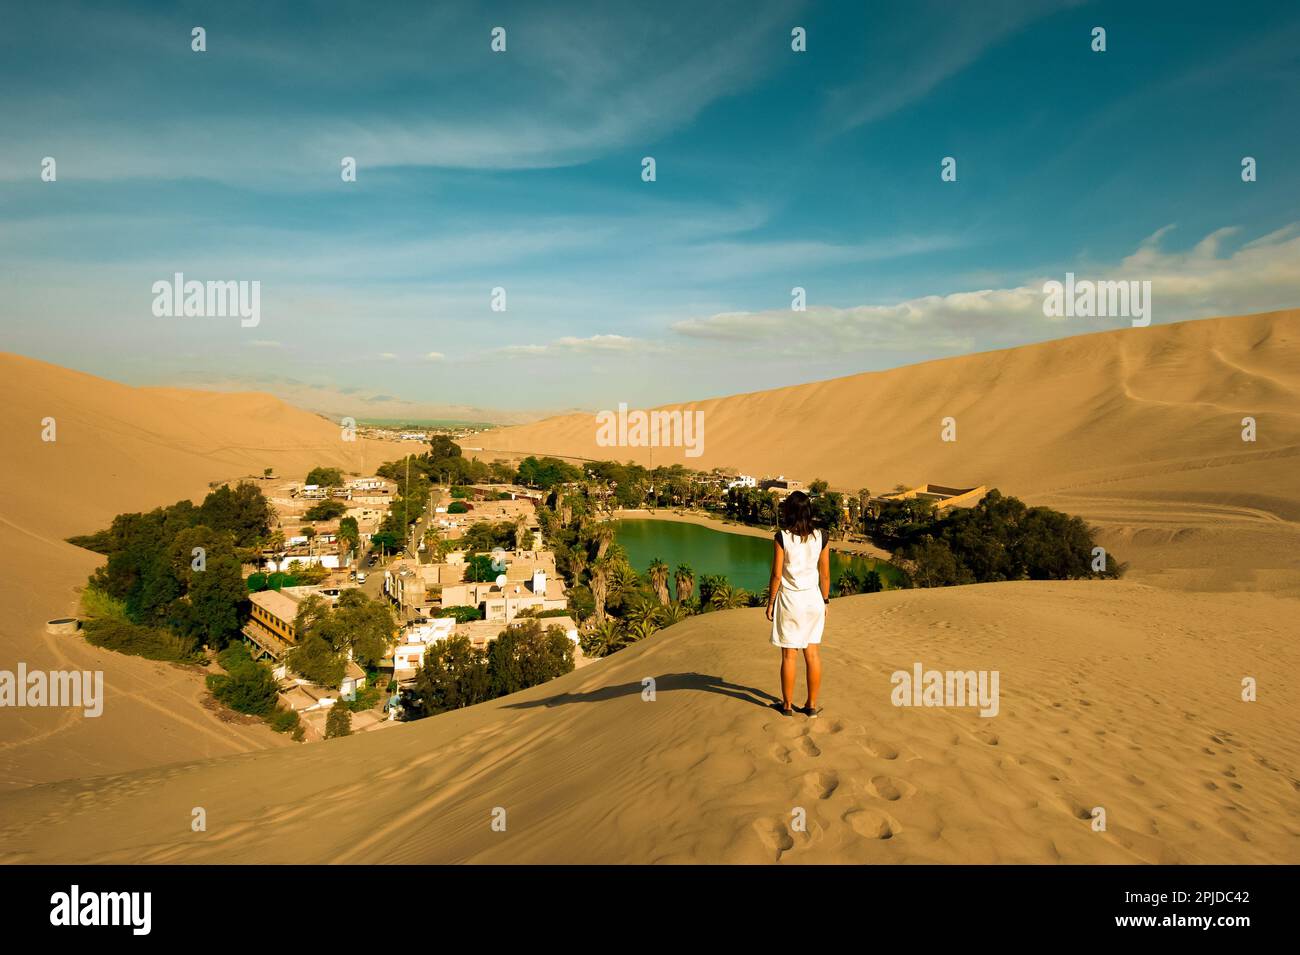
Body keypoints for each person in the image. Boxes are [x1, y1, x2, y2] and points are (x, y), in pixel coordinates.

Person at [765, 491, 830, 717]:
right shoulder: (822, 536)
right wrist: (825, 600)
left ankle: (787, 706)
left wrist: (770, 602)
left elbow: (776, 575)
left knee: (789, 655)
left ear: (789, 511)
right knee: (812, 654)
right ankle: (811, 706)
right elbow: (825, 575)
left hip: (791, 600)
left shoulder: (782, 537)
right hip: (813, 601)